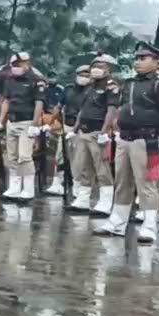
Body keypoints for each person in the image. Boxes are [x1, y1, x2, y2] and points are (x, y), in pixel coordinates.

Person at [96, 42, 159, 243]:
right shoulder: (129, 82)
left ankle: (149, 225)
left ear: (157, 62)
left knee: (147, 184)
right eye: (137, 58)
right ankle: (117, 222)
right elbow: (122, 107)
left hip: (147, 138)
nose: (138, 62)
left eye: (143, 59)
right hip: (125, 137)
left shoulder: (158, 84)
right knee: (122, 181)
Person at [0, 52, 46, 201]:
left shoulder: (36, 81)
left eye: (18, 65)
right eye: (13, 65)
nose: (15, 68)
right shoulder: (9, 80)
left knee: (25, 156)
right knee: (12, 157)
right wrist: (0, 121)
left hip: (27, 122)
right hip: (12, 121)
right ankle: (15, 187)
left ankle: (28, 188)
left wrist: (35, 124)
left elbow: (39, 103)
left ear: (26, 64)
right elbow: (6, 101)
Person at [70, 57, 117, 215]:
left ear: (108, 69)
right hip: (84, 131)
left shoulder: (111, 87)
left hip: (98, 132)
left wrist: (105, 131)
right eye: (94, 66)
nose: (96, 69)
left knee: (101, 168)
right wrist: (74, 130)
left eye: (100, 66)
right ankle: (83, 199)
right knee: (85, 167)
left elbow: (111, 111)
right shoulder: (89, 87)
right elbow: (82, 110)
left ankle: (105, 201)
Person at [63, 64, 91, 208]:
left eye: (87, 75)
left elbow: (83, 112)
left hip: (80, 127)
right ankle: (72, 183)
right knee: (67, 157)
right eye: (81, 74)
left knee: (79, 160)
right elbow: (62, 106)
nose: (84, 77)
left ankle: (78, 186)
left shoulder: (90, 91)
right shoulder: (69, 89)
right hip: (67, 124)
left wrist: (75, 129)